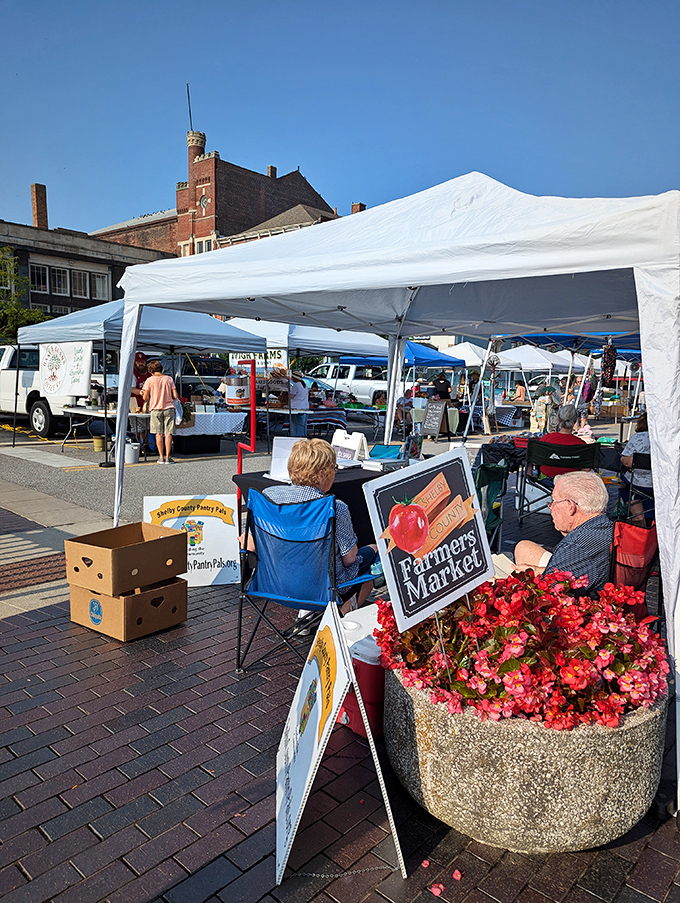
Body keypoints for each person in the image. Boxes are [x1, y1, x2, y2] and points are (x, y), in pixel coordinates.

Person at [261, 439, 378, 615]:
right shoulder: (334, 508)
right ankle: (338, 620)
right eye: (334, 468)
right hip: (324, 588)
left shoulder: (269, 497)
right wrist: (372, 549)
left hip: (275, 584)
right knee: (373, 558)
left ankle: (306, 615)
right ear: (322, 474)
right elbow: (350, 559)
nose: (335, 473)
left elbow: (254, 545)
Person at [514, 471, 613, 597]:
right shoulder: (606, 526)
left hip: (580, 607)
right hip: (592, 577)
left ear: (570, 506)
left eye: (554, 501)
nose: (551, 508)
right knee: (524, 547)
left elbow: (547, 595)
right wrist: (538, 570)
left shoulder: (576, 545)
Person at [142, 359, 179, 464]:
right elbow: (175, 396)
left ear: (150, 370)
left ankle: (161, 457)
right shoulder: (169, 379)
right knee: (168, 433)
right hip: (169, 408)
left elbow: (145, 397)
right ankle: (168, 457)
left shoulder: (149, 380)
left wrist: (143, 393)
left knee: (158, 434)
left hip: (155, 409)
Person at [620, 412, 653, 524]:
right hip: (660, 484)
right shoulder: (666, 437)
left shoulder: (637, 437)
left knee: (625, 486)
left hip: (637, 483)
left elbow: (627, 462)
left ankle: (638, 517)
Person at [538, 405, 586, 477]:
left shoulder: (546, 439)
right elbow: (586, 469)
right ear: (575, 421)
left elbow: (536, 461)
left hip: (547, 480)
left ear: (559, 419)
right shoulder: (581, 444)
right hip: (572, 482)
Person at [130, 351, 150, 452]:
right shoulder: (133, 373)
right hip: (135, 402)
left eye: (142, 361)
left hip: (147, 402)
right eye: (138, 362)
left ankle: (146, 445)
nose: (140, 364)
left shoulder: (149, 373)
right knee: (137, 425)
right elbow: (131, 388)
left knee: (146, 425)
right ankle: (137, 445)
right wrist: (141, 392)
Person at [289, 372, 309, 437]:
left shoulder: (296, 385)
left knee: (294, 424)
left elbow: (291, 396)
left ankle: (295, 437)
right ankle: (303, 437)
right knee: (303, 425)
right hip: (305, 406)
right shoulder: (304, 385)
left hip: (296, 407)